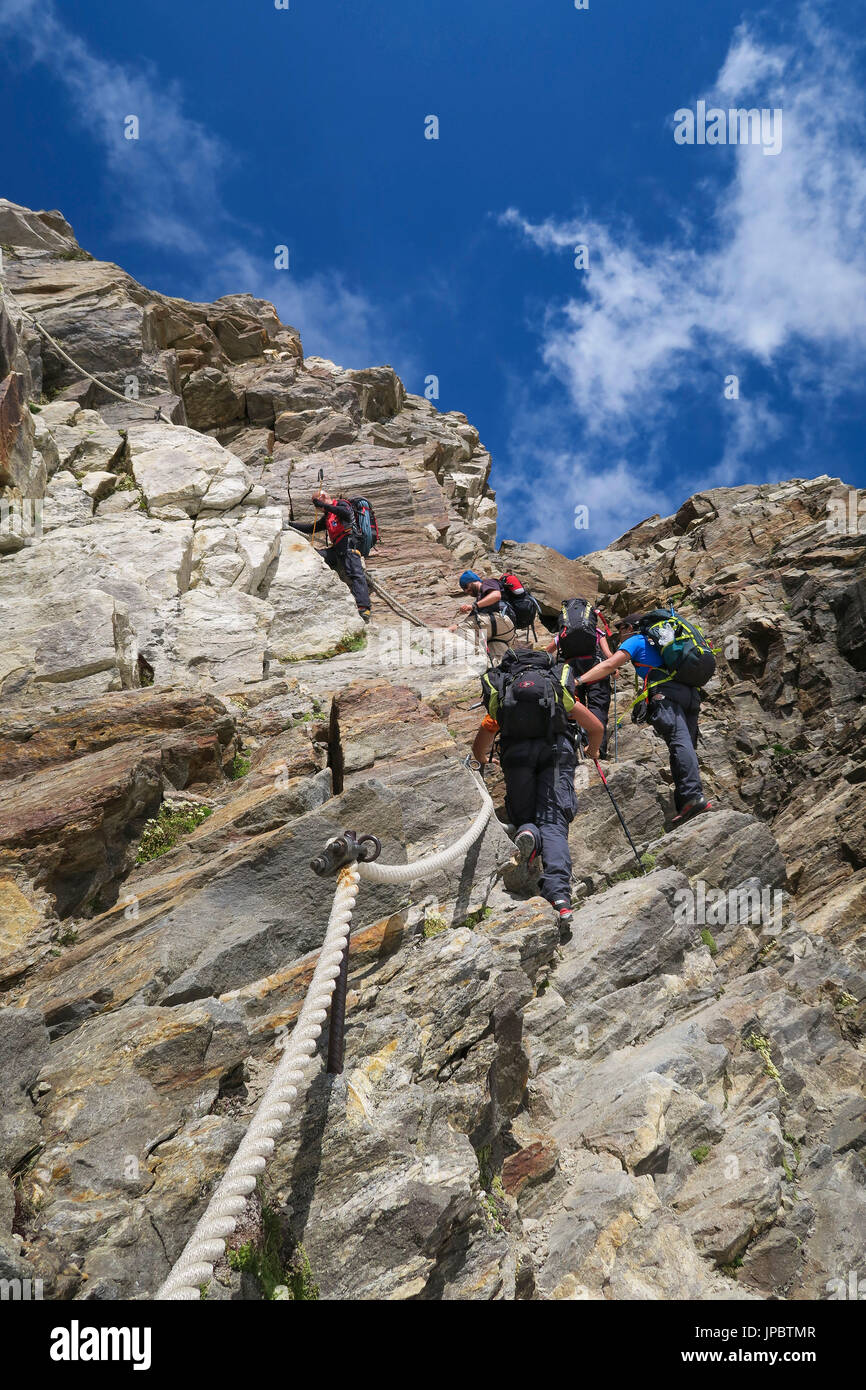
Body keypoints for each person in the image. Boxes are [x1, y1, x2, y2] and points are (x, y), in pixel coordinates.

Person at [471, 650, 604, 936]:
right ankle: (559, 896)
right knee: (554, 821)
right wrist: (593, 751)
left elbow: (482, 741)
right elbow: (596, 727)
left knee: (523, 815)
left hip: (515, 755)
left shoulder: (505, 690)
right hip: (556, 753)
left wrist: (482, 759)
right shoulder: (555, 686)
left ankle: (528, 832)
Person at [574, 614, 711, 824]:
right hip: (690, 694)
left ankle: (693, 797)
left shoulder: (636, 640)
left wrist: (579, 680)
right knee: (684, 746)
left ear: (630, 627)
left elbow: (610, 665)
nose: (620, 634)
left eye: (621, 629)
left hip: (666, 693)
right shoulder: (664, 640)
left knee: (678, 741)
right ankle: (687, 802)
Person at [290, 490, 372, 621]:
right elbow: (312, 528)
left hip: (349, 546)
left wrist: (324, 506)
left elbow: (345, 514)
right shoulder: (329, 516)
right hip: (337, 550)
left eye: (315, 503)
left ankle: (364, 607)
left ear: (322, 497)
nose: (316, 507)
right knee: (315, 555)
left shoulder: (342, 505)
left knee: (355, 573)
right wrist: (290, 525)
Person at [546, 612, 615, 757]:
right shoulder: (597, 632)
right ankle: (596, 750)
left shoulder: (564, 633)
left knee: (575, 707)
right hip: (596, 669)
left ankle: (578, 747)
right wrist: (614, 668)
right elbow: (608, 655)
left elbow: (547, 652)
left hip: (570, 670)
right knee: (598, 706)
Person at [450, 571, 515, 661]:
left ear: (472, 581)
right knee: (495, 661)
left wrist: (473, 606)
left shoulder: (488, 582)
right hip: (505, 633)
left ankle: (473, 659)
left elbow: (496, 595)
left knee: (463, 631)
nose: (466, 591)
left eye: (466, 587)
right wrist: (447, 630)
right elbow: (466, 622)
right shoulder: (480, 601)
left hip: (500, 620)